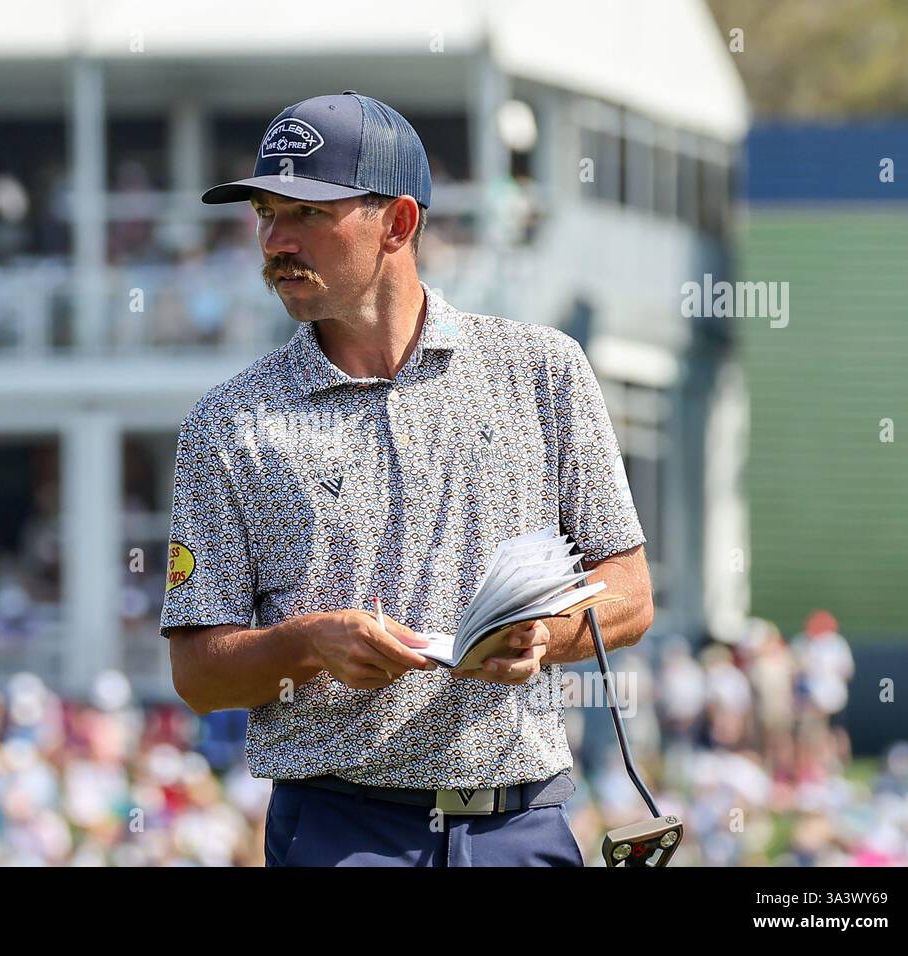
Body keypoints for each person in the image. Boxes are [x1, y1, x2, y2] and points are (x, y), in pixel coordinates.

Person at [158, 91, 654, 867]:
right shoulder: (227, 422)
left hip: (517, 827)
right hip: (341, 831)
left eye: (308, 214)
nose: (275, 241)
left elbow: (627, 593)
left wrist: (541, 639)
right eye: (265, 213)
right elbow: (198, 677)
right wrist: (311, 644)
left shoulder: (543, 371)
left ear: (398, 223)